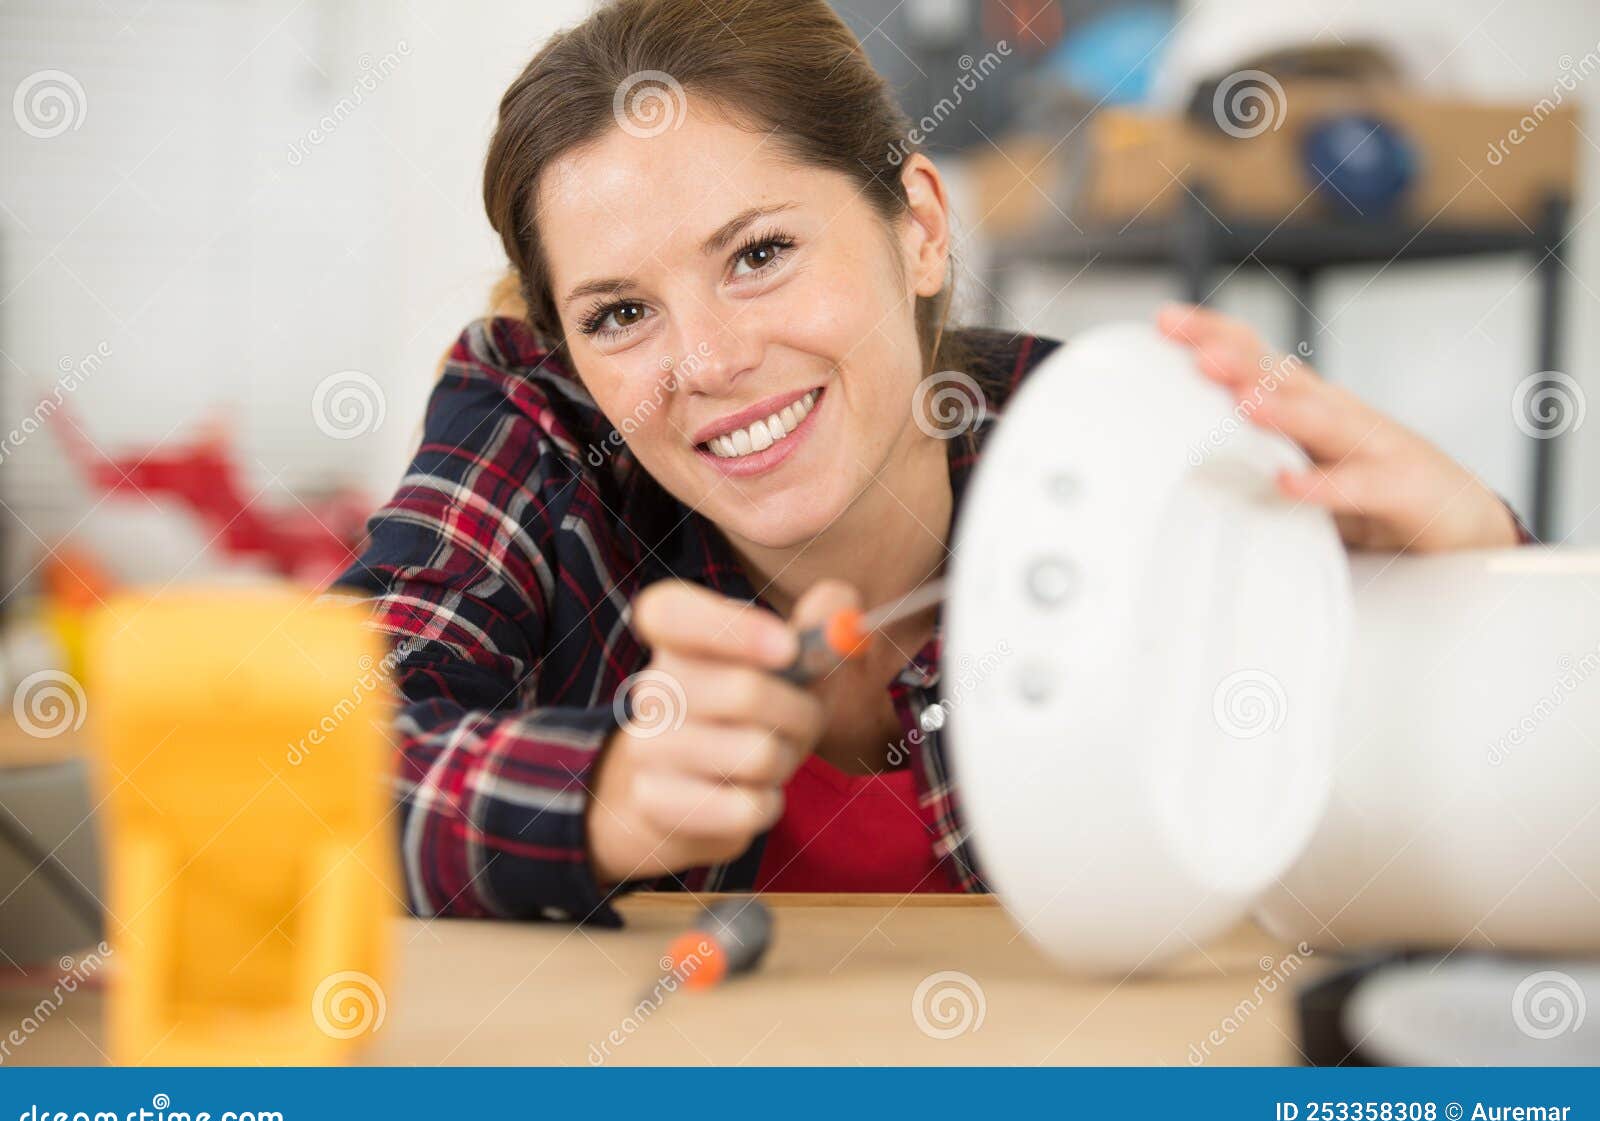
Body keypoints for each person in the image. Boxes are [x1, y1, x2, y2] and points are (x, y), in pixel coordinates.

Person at [333, 0, 1530, 925]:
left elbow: (1469, 827)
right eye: (616, 314)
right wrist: (597, 799)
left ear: (917, 224)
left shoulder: (1123, 457)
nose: (705, 360)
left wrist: (1485, 596)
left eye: (757, 253)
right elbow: (303, 770)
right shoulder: (536, 426)